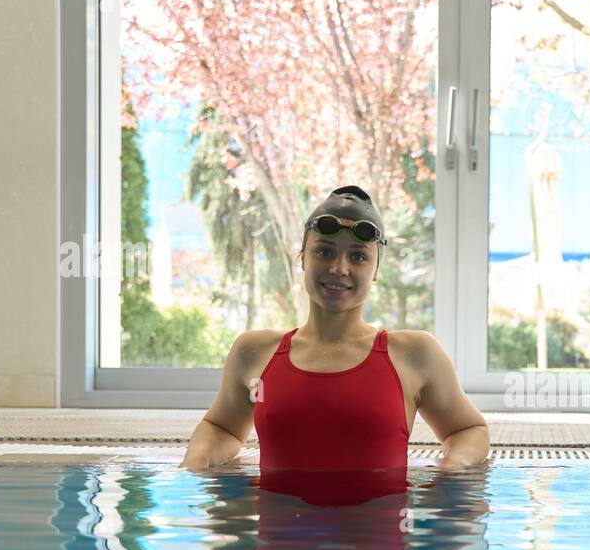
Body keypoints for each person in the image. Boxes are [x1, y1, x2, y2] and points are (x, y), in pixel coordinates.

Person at [180, 185, 489, 475]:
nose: (339, 268)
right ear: (302, 258)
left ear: (375, 270)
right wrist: (196, 461)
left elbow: (468, 430)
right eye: (325, 252)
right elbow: (223, 428)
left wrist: (452, 467)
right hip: (281, 529)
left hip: (375, 530)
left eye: (358, 256)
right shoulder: (255, 352)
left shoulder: (415, 354)